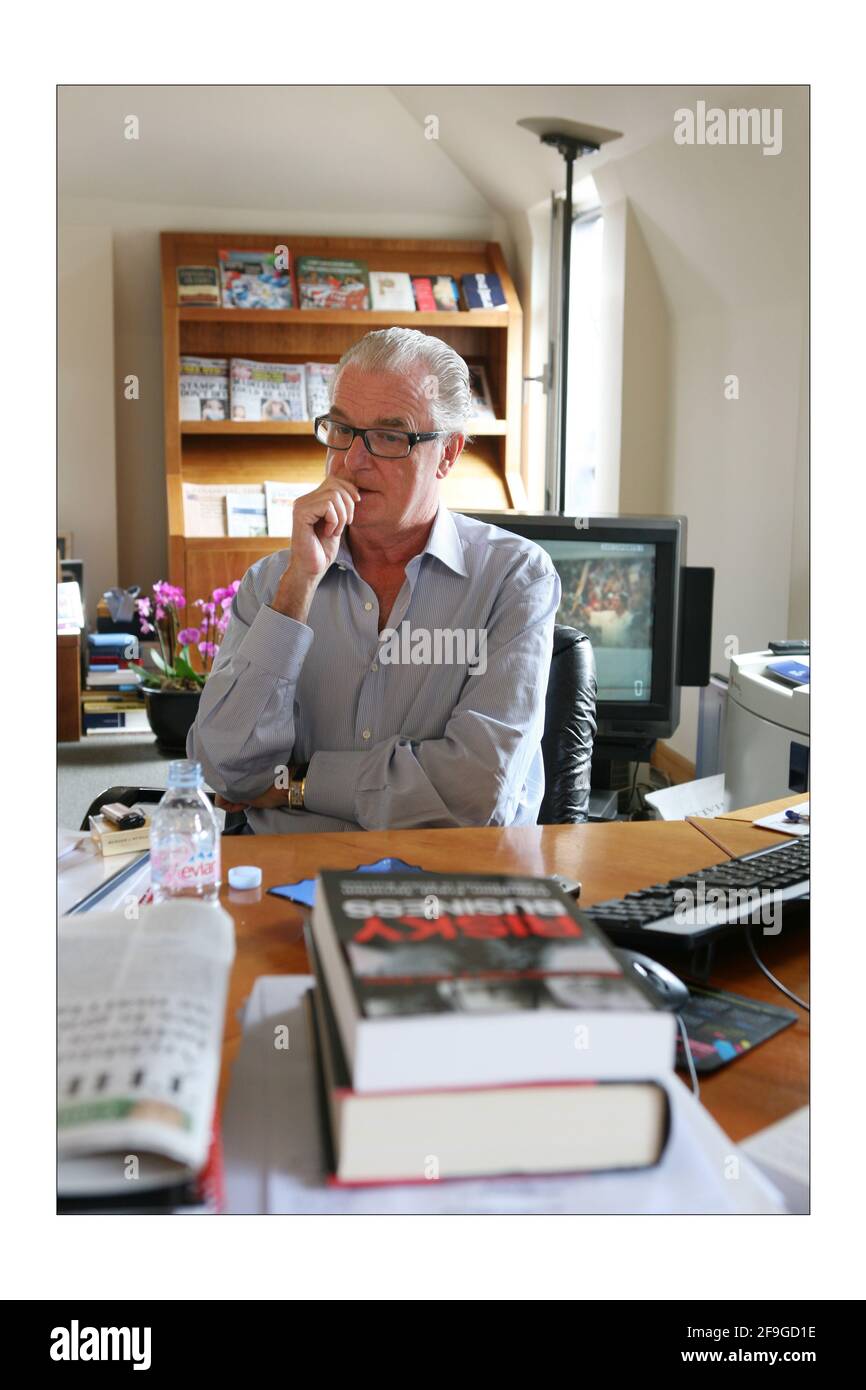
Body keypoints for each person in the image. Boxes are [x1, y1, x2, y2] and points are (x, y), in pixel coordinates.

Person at [188, 327, 560, 833]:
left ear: (448, 454)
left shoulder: (513, 578)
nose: (351, 460)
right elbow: (227, 770)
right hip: (287, 876)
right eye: (341, 430)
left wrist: (297, 785)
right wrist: (299, 586)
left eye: (389, 437)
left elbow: (478, 791)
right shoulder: (274, 581)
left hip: (441, 883)